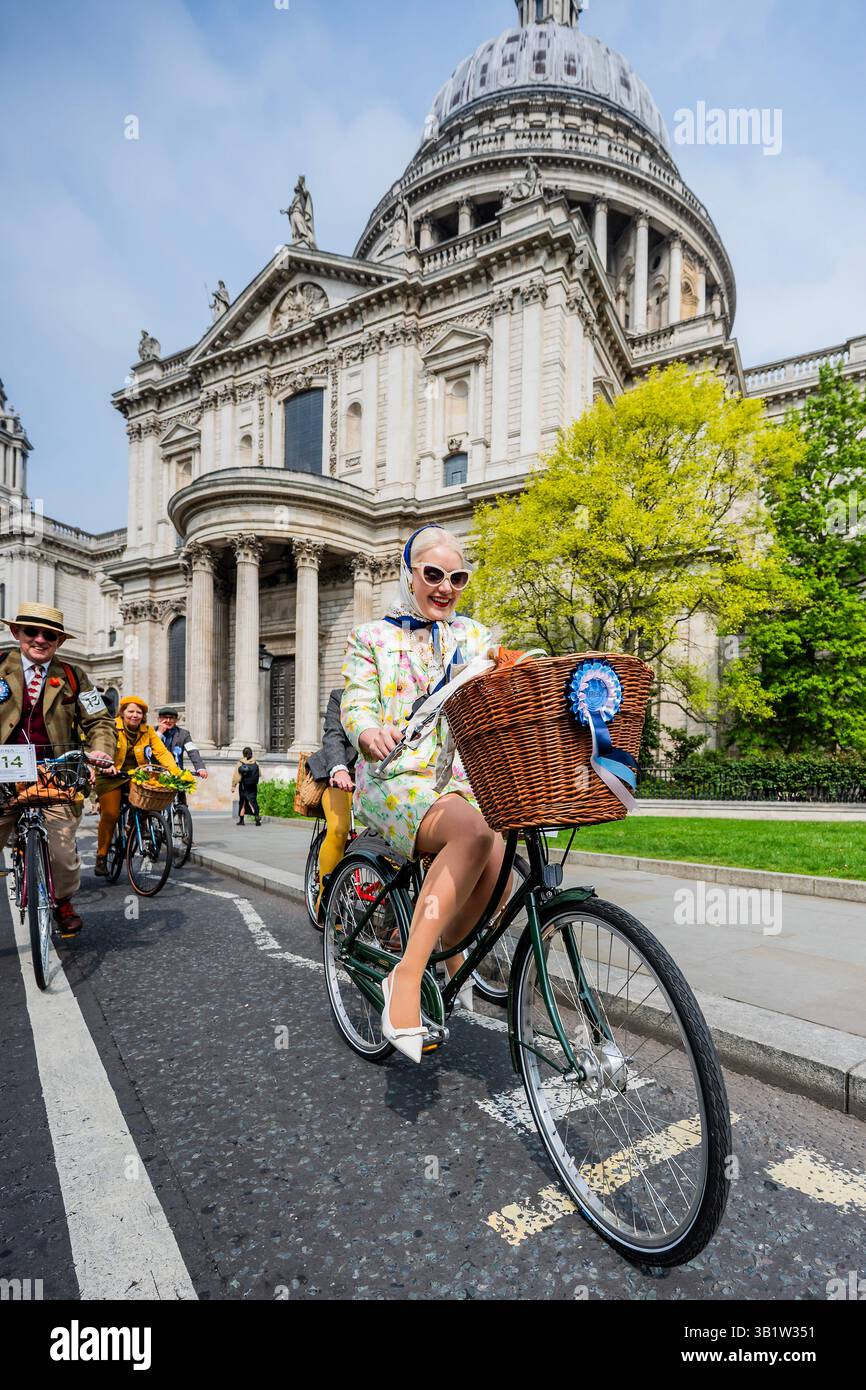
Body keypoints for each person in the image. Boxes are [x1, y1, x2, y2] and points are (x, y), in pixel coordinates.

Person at [341, 525, 511, 1062]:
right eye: (432, 574)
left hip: (461, 780)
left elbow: (504, 678)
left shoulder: (475, 637)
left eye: (456, 577)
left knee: (501, 858)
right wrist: (367, 731)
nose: (445, 586)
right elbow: (356, 703)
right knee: (473, 830)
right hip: (393, 778)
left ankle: (446, 951)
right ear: (408, 574)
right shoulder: (372, 637)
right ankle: (408, 978)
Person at [0, 602, 115, 936]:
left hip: (55, 773)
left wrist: (100, 751)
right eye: (31, 632)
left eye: (48, 634)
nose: (39, 639)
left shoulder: (72, 677)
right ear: (15, 633)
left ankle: (62, 902)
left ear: (59, 641)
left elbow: (100, 722)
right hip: (3, 772)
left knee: (62, 852)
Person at [94, 697, 181, 875]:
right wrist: (105, 763)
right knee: (110, 813)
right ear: (123, 712)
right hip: (110, 775)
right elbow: (104, 746)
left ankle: (132, 827)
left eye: (139, 712)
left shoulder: (147, 731)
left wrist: (176, 772)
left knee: (145, 801)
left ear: (143, 716)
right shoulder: (111, 727)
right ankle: (101, 856)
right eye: (131, 711)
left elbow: (162, 752)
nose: (135, 715)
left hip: (136, 775)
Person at [306, 687, 358, 917]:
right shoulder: (341, 696)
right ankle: (326, 901)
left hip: (378, 775)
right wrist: (339, 769)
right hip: (340, 774)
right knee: (338, 829)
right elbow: (333, 735)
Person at [154, 707, 208, 783]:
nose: (168, 720)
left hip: (176, 774)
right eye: (165, 717)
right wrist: (159, 733)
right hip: (155, 774)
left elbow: (192, 751)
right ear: (159, 719)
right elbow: (149, 749)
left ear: (176, 720)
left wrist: (200, 768)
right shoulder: (152, 732)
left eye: (171, 718)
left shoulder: (183, 734)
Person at [231, 749, 261, 825]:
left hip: (244, 786)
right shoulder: (256, 762)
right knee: (253, 802)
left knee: (243, 802)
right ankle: (257, 818)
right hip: (253, 786)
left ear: (243, 754)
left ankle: (241, 821)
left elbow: (236, 776)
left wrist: (233, 786)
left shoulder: (240, 763)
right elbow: (259, 774)